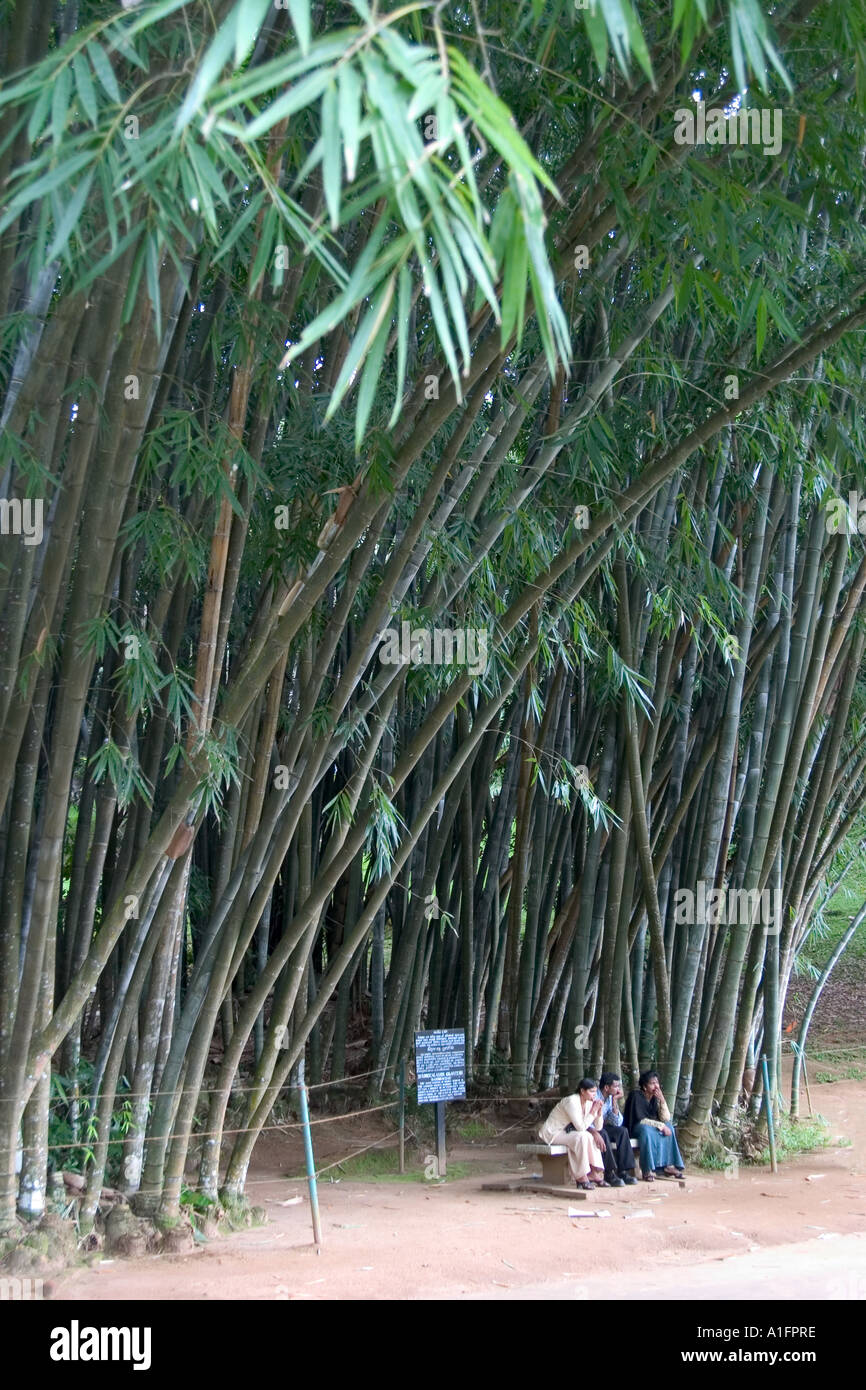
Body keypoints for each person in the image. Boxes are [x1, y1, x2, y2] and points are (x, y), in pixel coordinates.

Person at [538, 1078, 606, 1190]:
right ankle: (581, 1177)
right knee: (582, 1137)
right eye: (591, 1091)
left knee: (590, 1136)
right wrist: (593, 1112)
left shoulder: (589, 1103)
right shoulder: (571, 1101)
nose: (594, 1095)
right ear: (582, 1091)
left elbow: (598, 1127)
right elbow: (581, 1127)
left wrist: (599, 1113)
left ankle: (594, 1172)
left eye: (595, 1092)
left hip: (569, 1132)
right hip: (554, 1133)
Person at [623, 1070, 685, 1181]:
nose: (656, 1086)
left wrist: (662, 1100)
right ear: (644, 1086)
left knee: (670, 1127)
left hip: (651, 1126)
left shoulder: (654, 1098)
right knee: (646, 1131)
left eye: (657, 1083)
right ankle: (647, 1170)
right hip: (637, 1127)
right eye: (652, 1083)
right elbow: (640, 1119)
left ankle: (669, 1165)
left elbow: (665, 1118)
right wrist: (661, 1126)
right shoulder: (636, 1095)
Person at [596, 1071, 638, 1185]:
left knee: (622, 1131)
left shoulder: (610, 1098)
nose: (618, 1089)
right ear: (606, 1087)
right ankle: (609, 1173)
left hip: (602, 1126)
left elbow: (617, 1123)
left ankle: (623, 1171)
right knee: (603, 1133)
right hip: (590, 1127)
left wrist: (615, 1101)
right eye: (616, 1086)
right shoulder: (594, 1096)